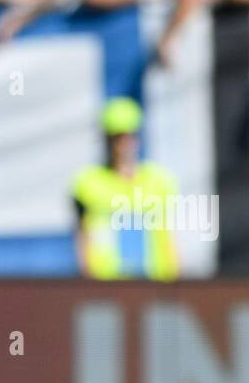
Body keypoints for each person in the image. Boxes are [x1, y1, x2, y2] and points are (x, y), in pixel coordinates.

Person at [72, 97, 179, 281]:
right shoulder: (88, 183)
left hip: (154, 282)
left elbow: (170, 238)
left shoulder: (158, 181)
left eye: (129, 136)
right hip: (106, 283)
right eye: (117, 137)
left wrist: (174, 277)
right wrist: (87, 279)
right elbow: (83, 236)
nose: (123, 144)